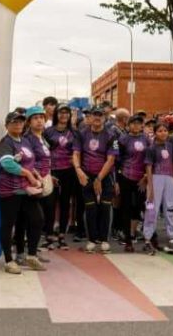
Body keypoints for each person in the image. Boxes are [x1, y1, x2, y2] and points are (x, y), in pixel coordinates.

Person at [0, 110, 45, 274]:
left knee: (37, 219)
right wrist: (29, 174)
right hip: (10, 190)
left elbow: (31, 161)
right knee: (8, 224)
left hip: (26, 190)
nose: (18, 124)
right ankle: (9, 261)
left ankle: (31, 256)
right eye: (14, 122)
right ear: (7, 125)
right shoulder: (6, 142)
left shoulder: (25, 141)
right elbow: (7, 164)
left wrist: (36, 173)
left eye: (20, 122)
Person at [74, 108, 119, 253]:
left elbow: (111, 159)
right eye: (95, 115)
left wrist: (99, 178)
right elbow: (76, 153)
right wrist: (79, 170)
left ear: (105, 118)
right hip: (86, 175)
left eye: (101, 115)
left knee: (106, 207)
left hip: (105, 176)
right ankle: (92, 240)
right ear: (90, 117)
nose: (97, 118)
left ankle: (105, 240)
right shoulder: (81, 134)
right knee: (90, 208)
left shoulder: (112, 135)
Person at [45, 104, 80, 249]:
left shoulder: (75, 133)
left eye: (66, 113)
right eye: (61, 112)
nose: (64, 115)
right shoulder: (48, 132)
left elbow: (77, 152)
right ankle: (49, 235)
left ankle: (62, 236)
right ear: (56, 115)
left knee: (66, 203)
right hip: (52, 171)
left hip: (69, 171)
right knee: (50, 203)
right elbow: (43, 151)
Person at [21, 106, 53, 258]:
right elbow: (27, 162)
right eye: (35, 118)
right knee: (31, 219)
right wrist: (36, 178)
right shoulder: (27, 139)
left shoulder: (42, 137)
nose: (39, 120)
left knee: (36, 219)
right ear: (28, 122)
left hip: (43, 181)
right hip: (31, 183)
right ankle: (25, 253)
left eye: (42, 117)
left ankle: (31, 251)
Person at [142, 123, 173, 255]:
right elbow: (148, 168)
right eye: (160, 131)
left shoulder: (170, 146)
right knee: (152, 208)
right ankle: (147, 238)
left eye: (165, 130)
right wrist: (150, 188)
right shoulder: (151, 148)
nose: (163, 133)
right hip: (155, 179)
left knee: (170, 207)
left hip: (168, 178)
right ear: (155, 133)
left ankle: (172, 238)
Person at [116, 114, 150, 253]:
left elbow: (150, 159)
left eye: (139, 123)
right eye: (133, 123)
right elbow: (118, 160)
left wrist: (146, 176)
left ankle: (133, 233)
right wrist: (117, 180)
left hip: (142, 179)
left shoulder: (147, 139)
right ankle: (128, 241)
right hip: (125, 176)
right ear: (128, 125)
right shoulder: (123, 139)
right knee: (126, 207)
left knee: (140, 206)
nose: (136, 126)